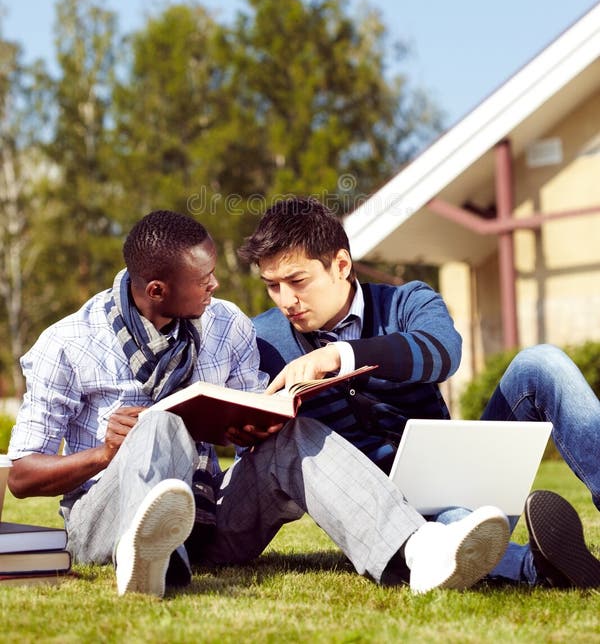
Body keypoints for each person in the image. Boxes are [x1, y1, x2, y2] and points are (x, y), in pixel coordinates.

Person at [8, 209, 511, 598]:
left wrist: (249, 427)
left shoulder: (226, 324)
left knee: (293, 432)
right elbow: (21, 476)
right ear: (158, 289)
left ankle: (420, 551)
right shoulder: (67, 344)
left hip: (209, 517)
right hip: (104, 523)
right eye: (202, 278)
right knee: (157, 427)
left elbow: (246, 412)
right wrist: (104, 454)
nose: (217, 284)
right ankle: (144, 558)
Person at [239, 196, 600, 589]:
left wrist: (340, 355)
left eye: (297, 281)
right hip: (380, 509)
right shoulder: (263, 340)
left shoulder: (408, 301)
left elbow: (444, 352)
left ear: (341, 265)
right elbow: (262, 453)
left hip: (459, 473)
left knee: (542, 362)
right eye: (272, 285)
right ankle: (538, 568)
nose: (285, 300)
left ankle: (517, 556)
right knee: (453, 525)